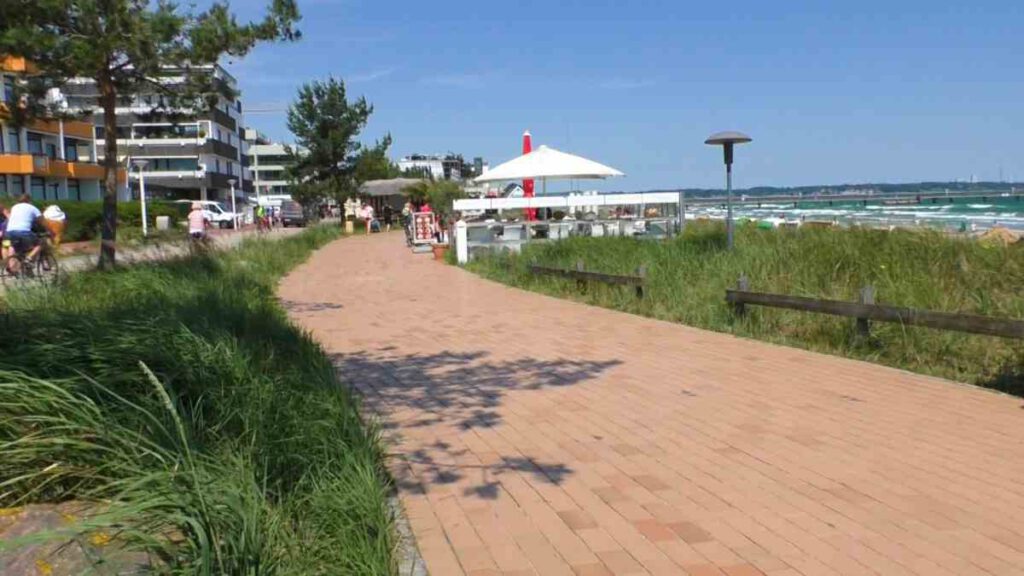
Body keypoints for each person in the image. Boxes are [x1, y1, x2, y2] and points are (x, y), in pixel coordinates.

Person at [5, 194, 46, 262]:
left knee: (14, 247)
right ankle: (29, 258)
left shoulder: (14, 207)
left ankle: (11, 267)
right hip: (23, 232)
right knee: (40, 243)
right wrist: (48, 230)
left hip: (10, 231)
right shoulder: (32, 208)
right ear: (29, 200)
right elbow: (42, 221)